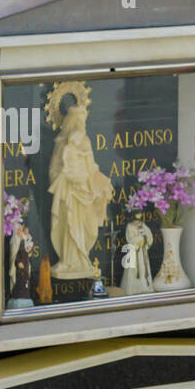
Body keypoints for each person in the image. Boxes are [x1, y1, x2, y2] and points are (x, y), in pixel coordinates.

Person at [46, 87, 111, 279]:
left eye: (84, 121)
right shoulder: (61, 144)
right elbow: (53, 170)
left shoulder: (86, 141)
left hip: (85, 191)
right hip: (69, 193)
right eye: (79, 121)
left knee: (87, 227)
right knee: (70, 226)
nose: (81, 125)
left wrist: (100, 182)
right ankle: (69, 260)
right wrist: (67, 177)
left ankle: (82, 260)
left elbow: (92, 166)